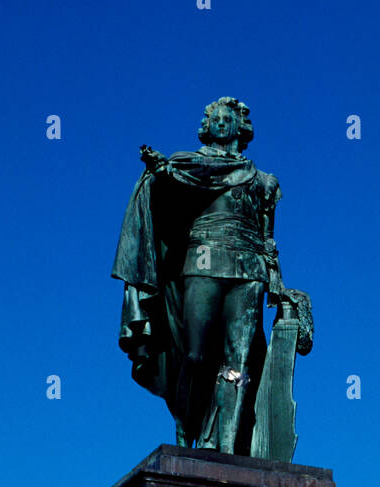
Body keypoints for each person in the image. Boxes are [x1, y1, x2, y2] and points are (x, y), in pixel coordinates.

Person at [113, 96, 312, 456]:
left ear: (241, 127)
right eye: (215, 118)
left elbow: (268, 240)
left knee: (237, 363)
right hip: (201, 261)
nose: (221, 122)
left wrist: (278, 284)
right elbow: (163, 201)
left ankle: (225, 447)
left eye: (228, 117)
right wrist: (159, 175)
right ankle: (187, 429)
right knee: (195, 357)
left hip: (248, 269)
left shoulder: (264, 181)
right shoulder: (187, 167)